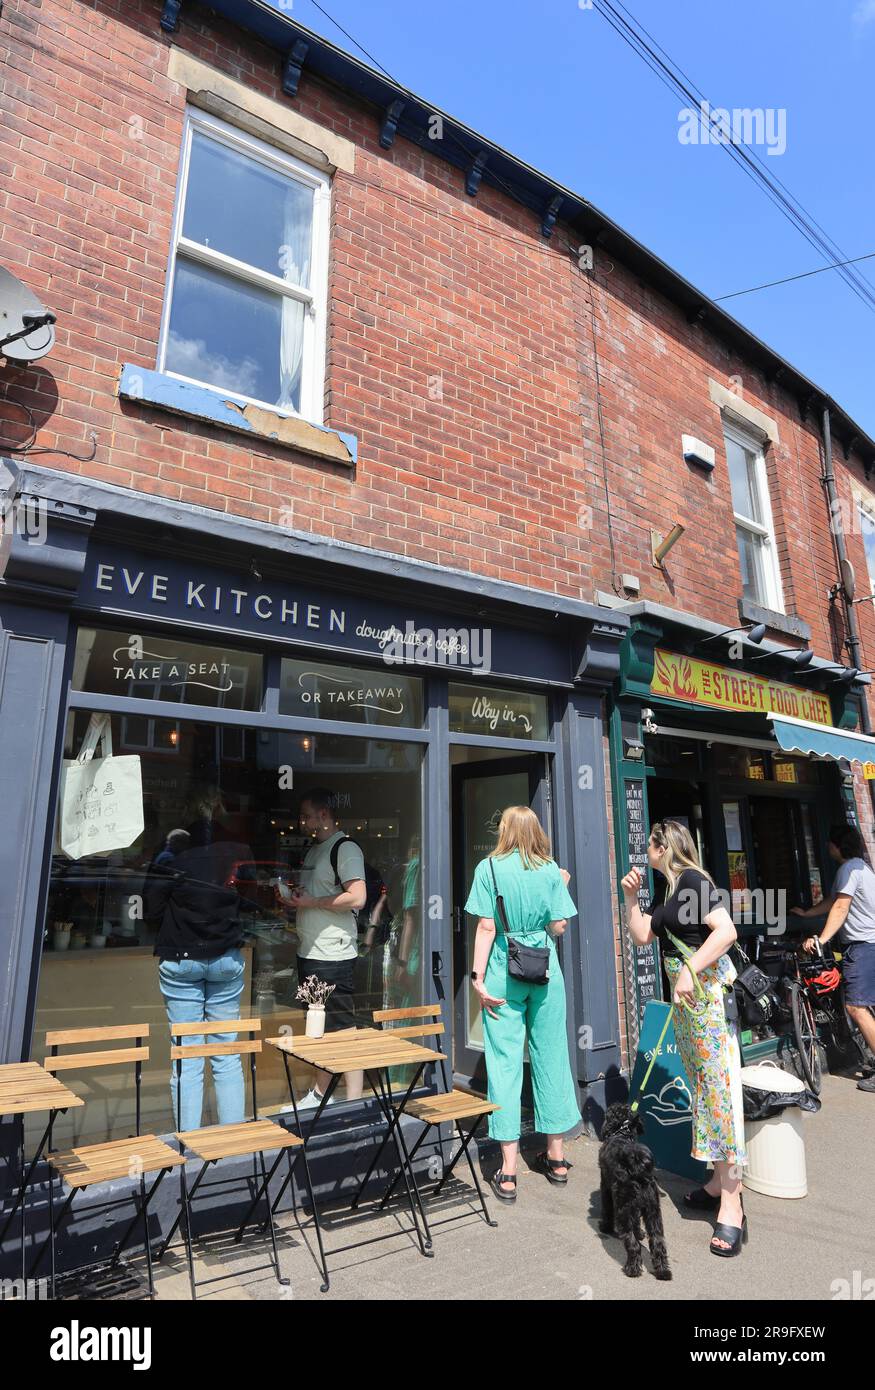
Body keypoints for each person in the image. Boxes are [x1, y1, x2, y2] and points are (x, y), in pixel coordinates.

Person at [621, 819, 748, 1257]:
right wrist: (632, 898)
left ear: (663, 847)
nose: (646, 851)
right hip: (688, 1006)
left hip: (707, 1001)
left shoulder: (693, 881)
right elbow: (642, 936)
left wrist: (691, 970)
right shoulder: (670, 891)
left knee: (718, 1096)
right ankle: (716, 1182)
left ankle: (732, 1204)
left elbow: (726, 932)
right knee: (702, 1090)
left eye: (650, 845)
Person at [464, 805, 580, 1204]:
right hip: (545, 973)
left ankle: (509, 1170)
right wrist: (559, 885)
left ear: (505, 830)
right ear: (536, 831)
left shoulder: (489, 868)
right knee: (551, 1059)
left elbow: (485, 926)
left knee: (505, 1064)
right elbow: (559, 926)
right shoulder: (550, 869)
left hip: (502, 972)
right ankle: (557, 1158)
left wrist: (477, 978)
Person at [145, 824, 256, 1132]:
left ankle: (189, 1145)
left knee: (188, 1056)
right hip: (225, 959)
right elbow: (250, 900)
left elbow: (151, 908)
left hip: (182, 959)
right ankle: (233, 1144)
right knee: (225, 1053)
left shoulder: (171, 861)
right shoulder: (233, 854)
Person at [289, 788, 367, 1106]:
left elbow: (358, 897)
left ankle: (354, 1101)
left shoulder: (345, 849)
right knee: (319, 1025)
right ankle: (321, 1093)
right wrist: (296, 899)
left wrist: (312, 902)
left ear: (324, 815)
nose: (302, 821)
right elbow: (316, 895)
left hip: (332, 953)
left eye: (307, 815)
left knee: (344, 1028)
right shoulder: (316, 849)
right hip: (312, 951)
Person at [792, 822, 875, 1093]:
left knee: (856, 1008)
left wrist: (821, 939)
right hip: (868, 945)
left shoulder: (849, 869)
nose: (827, 846)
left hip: (863, 946)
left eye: (830, 842)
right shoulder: (861, 869)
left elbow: (841, 906)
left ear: (838, 846)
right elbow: (834, 900)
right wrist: (808, 914)